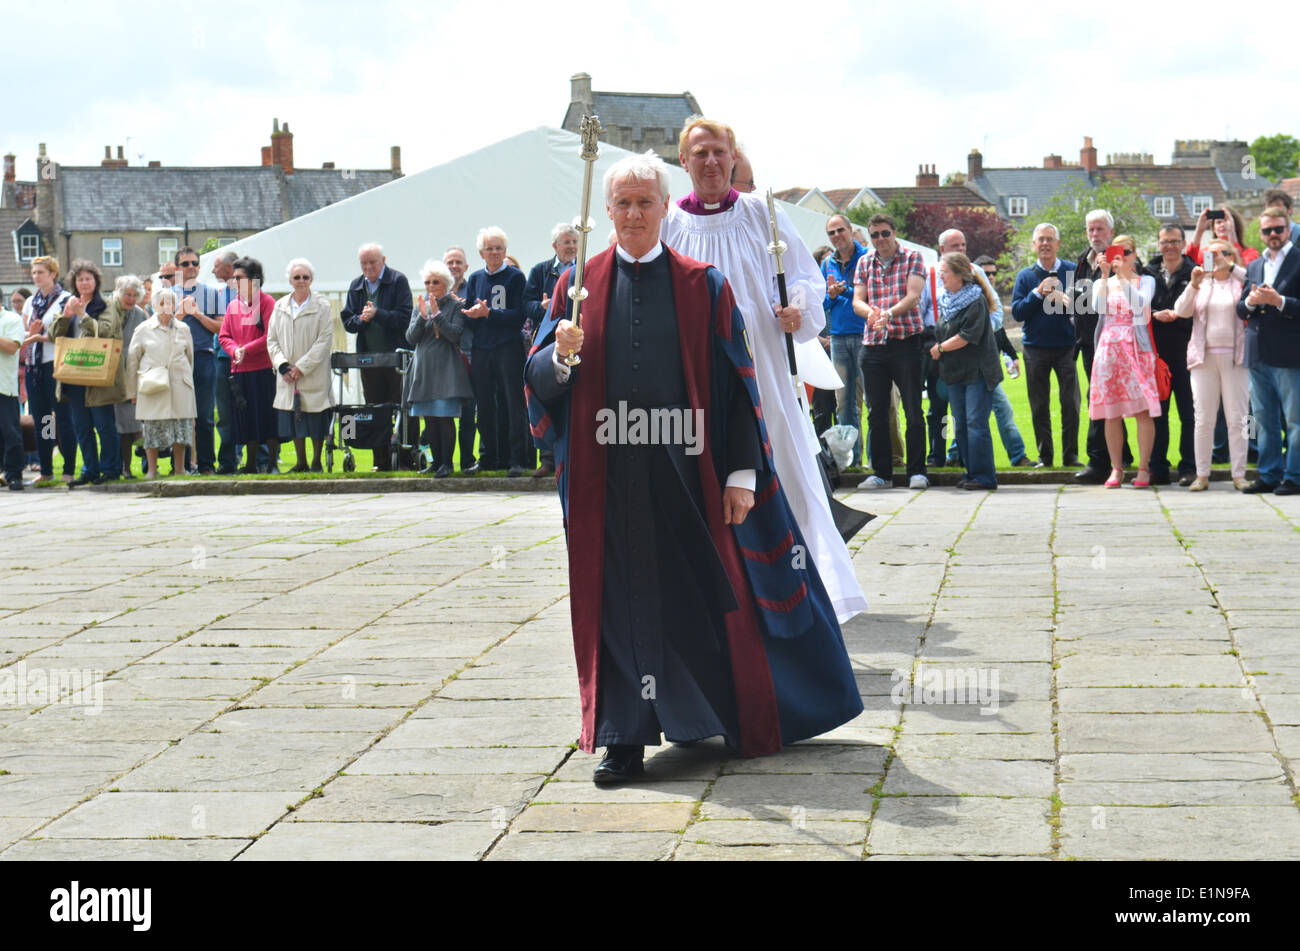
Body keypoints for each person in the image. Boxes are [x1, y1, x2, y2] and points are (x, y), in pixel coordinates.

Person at [524, 151, 862, 782]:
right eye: (621, 203)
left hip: (691, 473)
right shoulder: (578, 286)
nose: (632, 214)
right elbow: (538, 379)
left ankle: (716, 715)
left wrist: (741, 476)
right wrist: (560, 359)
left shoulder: (702, 284)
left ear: (663, 209)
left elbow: (738, 387)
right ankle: (622, 738)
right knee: (617, 604)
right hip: (608, 479)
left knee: (703, 597)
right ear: (606, 211)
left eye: (644, 203)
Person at [661, 118, 867, 623]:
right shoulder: (668, 222)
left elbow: (805, 277)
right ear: (683, 162)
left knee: (785, 465)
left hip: (765, 368)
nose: (710, 162)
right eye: (700, 153)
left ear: (733, 157)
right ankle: (715, 594)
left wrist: (798, 307)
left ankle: (805, 588)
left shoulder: (763, 215)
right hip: (694, 374)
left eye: (719, 152)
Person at [920, 232, 1034, 468]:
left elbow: (995, 315)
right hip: (942, 358)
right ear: (942, 248)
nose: (961, 248)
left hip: (975, 358)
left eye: (963, 243)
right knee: (943, 414)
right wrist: (934, 342)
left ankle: (1015, 454)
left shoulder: (975, 278)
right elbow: (921, 312)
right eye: (955, 245)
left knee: (991, 411)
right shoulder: (930, 276)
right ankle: (942, 455)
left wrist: (981, 336)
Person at [851, 212, 929, 490]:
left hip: (906, 342)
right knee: (877, 412)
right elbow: (857, 300)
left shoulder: (913, 258)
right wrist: (871, 314)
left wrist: (888, 314)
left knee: (913, 409)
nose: (880, 239)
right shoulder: (864, 262)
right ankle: (882, 473)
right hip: (873, 346)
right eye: (875, 235)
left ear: (894, 233)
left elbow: (913, 295)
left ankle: (917, 471)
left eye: (885, 233)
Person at [1174, 239, 1250, 491]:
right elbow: (1181, 311)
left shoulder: (1240, 281)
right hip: (1203, 357)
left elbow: (1254, 283)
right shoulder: (1202, 283)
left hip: (1236, 357)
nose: (1216, 257)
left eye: (1222, 253)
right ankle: (1202, 474)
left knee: (1238, 419)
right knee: (1203, 418)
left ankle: (1239, 473)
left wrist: (1228, 265)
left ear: (1232, 256)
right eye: (1211, 253)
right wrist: (1194, 284)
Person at [1237, 206, 1300, 494]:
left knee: (1295, 419)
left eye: (1278, 229)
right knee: (1263, 419)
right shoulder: (1254, 266)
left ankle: (1294, 476)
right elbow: (1240, 309)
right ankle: (1269, 474)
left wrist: (1280, 301)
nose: (1273, 235)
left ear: (1288, 230)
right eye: (1267, 230)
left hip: (1289, 353)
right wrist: (1251, 301)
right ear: (1261, 234)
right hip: (1257, 351)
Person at [1089, 235, 1160, 487]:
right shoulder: (1102, 282)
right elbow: (1097, 307)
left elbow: (1139, 305)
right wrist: (1106, 275)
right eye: (1116, 252)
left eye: (1126, 252)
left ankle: (1143, 468)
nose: (1122, 257)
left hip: (1135, 349)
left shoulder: (1146, 281)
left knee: (1142, 410)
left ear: (1135, 254)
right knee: (1111, 412)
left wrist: (1121, 276)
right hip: (1109, 349)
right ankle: (1116, 468)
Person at [929, 252, 1003, 490]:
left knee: (975, 423)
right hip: (955, 373)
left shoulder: (976, 300)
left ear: (959, 274)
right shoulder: (946, 301)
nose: (941, 276)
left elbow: (967, 337)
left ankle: (984, 476)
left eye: (945, 272)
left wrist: (940, 347)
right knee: (960, 424)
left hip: (978, 372)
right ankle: (971, 473)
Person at [48, 259, 124, 485]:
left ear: (96, 281)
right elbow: (54, 335)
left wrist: (83, 316)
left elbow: (107, 333)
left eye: (88, 279)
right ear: (74, 282)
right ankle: (90, 469)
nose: (83, 283)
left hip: (97, 373)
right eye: (79, 279)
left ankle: (110, 469)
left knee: (104, 424)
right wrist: (67, 315)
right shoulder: (68, 303)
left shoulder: (107, 305)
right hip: (73, 374)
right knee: (81, 426)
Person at [463, 227, 530, 476]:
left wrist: (490, 313)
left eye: (498, 248)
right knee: (485, 404)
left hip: (508, 346)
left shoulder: (515, 278)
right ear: (481, 253)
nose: (494, 253)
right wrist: (470, 314)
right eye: (489, 248)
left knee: (513, 403)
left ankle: (517, 458)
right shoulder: (476, 279)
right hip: (482, 348)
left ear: (505, 251)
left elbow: (518, 315)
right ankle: (489, 456)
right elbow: (471, 316)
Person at [1073, 210, 1135, 482]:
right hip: (1091, 342)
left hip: (1122, 341)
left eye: (1100, 229)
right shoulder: (1081, 262)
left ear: (1110, 232)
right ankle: (1114, 458)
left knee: (1125, 402)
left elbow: (1134, 297)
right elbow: (1081, 303)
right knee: (1100, 399)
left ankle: (1102, 462)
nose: (1095, 235)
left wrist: (1108, 271)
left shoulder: (1123, 258)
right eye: (1091, 230)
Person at [341, 243, 414, 471]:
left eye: (372, 262)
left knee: (402, 408)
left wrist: (377, 314)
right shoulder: (356, 286)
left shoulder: (398, 280)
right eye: (364, 263)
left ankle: (406, 459)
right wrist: (361, 319)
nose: (368, 267)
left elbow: (405, 317)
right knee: (374, 410)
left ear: (383, 260)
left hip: (396, 358)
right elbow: (348, 321)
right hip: (369, 359)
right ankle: (380, 461)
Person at [1012, 224, 1079, 469]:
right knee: (1039, 405)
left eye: (1049, 239)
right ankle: (1046, 457)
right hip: (1035, 349)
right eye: (1040, 239)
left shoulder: (1072, 270)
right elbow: (1018, 312)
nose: (1045, 244)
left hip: (1066, 347)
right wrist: (1038, 293)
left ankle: (1071, 456)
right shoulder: (1026, 276)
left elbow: (1085, 308)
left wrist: (1066, 299)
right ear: (1033, 245)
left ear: (1057, 244)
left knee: (1070, 404)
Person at [267, 259, 336, 473]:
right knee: (293, 417)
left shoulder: (322, 306)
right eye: (297, 277)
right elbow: (272, 340)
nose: (301, 281)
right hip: (288, 376)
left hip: (313, 374)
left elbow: (324, 341)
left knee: (315, 419)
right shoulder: (279, 307)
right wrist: (283, 366)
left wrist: (302, 367)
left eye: (305, 277)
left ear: (311, 279)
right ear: (290, 280)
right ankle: (301, 462)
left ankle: (316, 461)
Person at [524, 223, 579, 478]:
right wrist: (545, 307)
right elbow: (526, 304)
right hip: (548, 341)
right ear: (555, 245)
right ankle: (547, 459)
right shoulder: (540, 271)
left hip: (576, 340)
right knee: (545, 395)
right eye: (566, 242)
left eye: (574, 242)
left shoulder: (584, 270)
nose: (571, 247)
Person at [407, 260, 472, 478]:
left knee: (444, 416)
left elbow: (455, 334)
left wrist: (437, 315)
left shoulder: (455, 305)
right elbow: (410, 338)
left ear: (445, 284)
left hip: (446, 367)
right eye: (427, 282)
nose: (431, 286)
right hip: (424, 367)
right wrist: (423, 317)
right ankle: (435, 462)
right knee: (430, 417)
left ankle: (447, 462)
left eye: (435, 282)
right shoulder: (420, 305)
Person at [1144, 224, 1197, 485]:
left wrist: (1177, 316)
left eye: (1175, 241)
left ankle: (1189, 467)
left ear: (1184, 243)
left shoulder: (1195, 271)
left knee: (1189, 414)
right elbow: (1138, 306)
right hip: (1157, 354)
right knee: (1158, 414)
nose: (1170, 247)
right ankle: (1158, 468)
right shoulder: (1147, 273)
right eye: (1165, 242)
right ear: (1159, 244)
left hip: (1188, 351)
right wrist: (1155, 314)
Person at [218, 257, 279, 474]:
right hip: (240, 370)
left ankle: (272, 463)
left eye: (238, 277)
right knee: (245, 418)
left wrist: (247, 349)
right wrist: (235, 350)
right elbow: (224, 335)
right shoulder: (233, 305)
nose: (233, 281)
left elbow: (271, 335)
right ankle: (250, 464)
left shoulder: (267, 302)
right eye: (233, 278)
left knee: (267, 416)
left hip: (263, 369)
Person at [125, 288, 195, 479]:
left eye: (170, 303)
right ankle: (152, 470)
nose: (166, 307)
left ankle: (180, 468)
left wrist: (187, 382)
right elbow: (132, 362)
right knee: (152, 428)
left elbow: (190, 359)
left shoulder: (183, 328)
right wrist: (132, 392)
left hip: (180, 384)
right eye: (161, 303)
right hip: (152, 384)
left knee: (181, 427)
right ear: (154, 306)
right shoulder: (143, 329)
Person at [20, 256, 76, 483]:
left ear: (53, 274)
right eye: (34, 273)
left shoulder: (65, 300)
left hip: (56, 365)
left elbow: (67, 331)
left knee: (63, 418)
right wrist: (32, 334)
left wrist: (38, 335)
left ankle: (69, 469)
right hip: (34, 368)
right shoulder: (30, 302)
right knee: (43, 420)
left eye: (41, 272)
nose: (36, 277)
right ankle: (46, 469)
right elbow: (25, 334)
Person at [170, 247, 224, 475]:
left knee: (204, 415)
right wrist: (180, 314)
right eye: (185, 264)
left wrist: (199, 314)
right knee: (178, 414)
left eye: (194, 263)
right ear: (177, 269)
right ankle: (179, 466)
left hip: (203, 356)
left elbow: (221, 328)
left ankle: (206, 465)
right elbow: (159, 328)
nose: (190, 267)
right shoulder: (168, 295)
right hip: (176, 359)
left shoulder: (212, 294)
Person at [822, 214, 868, 467]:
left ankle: (877, 460)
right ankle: (851, 461)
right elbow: (823, 303)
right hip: (838, 337)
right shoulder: (828, 262)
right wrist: (832, 294)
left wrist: (845, 291)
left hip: (864, 333)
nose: (837, 235)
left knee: (872, 400)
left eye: (840, 230)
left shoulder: (866, 258)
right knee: (843, 403)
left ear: (851, 230)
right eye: (831, 232)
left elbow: (869, 295)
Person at [109, 276, 149, 478]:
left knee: (131, 425)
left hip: (132, 374)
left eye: (135, 295)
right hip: (110, 373)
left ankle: (135, 465)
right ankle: (120, 467)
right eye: (128, 294)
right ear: (119, 292)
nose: (131, 299)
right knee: (119, 425)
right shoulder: (108, 310)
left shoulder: (140, 314)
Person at [444, 245, 477, 473]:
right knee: (442, 413)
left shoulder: (472, 287)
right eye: (450, 262)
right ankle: (442, 461)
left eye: (458, 262)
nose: (454, 266)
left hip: (467, 356)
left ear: (466, 267)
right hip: (443, 360)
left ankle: (467, 460)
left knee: (468, 412)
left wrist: (461, 307)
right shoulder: (436, 290)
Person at [209, 249, 242, 474]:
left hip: (241, 359)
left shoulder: (246, 294)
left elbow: (223, 326)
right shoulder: (220, 294)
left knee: (247, 410)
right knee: (225, 413)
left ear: (229, 268)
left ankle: (258, 459)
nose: (212, 270)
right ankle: (228, 461)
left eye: (216, 266)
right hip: (221, 358)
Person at [1185, 205, 1260, 268]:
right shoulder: (1208, 253)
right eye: (1218, 222)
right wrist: (1199, 231)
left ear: (1236, 226)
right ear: (1214, 228)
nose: (1222, 225)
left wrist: (1231, 233)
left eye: (1226, 221)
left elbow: (1242, 270)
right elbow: (1188, 264)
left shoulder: (1250, 253)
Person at [0, 300, 24, 490]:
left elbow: (12, 347)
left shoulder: (12, 319)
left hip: (4, 387)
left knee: (10, 433)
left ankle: (14, 475)